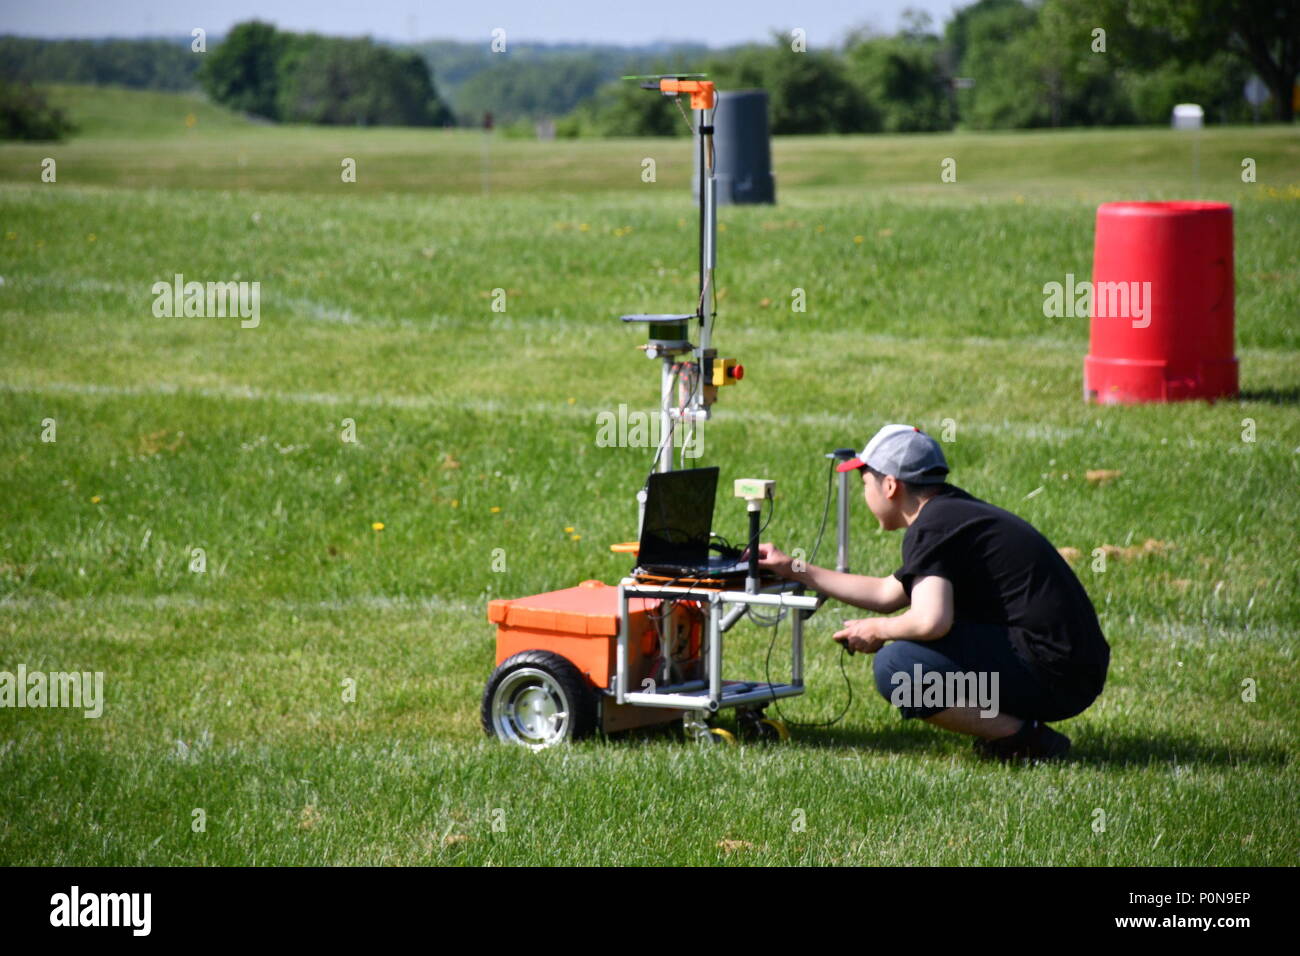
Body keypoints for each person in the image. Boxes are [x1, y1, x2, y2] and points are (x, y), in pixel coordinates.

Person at [747, 424, 1109, 762]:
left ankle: (1023, 738)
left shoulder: (933, 525)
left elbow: (931, 621)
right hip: (1073, 670)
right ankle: (1012, 731)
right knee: (908, 658)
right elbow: (887, 593)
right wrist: (791, 566)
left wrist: (876, 630)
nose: (864, 493)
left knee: (898, 668)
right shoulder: (950, 514)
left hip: (1055, 675)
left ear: (890, 486)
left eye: (864, 482)